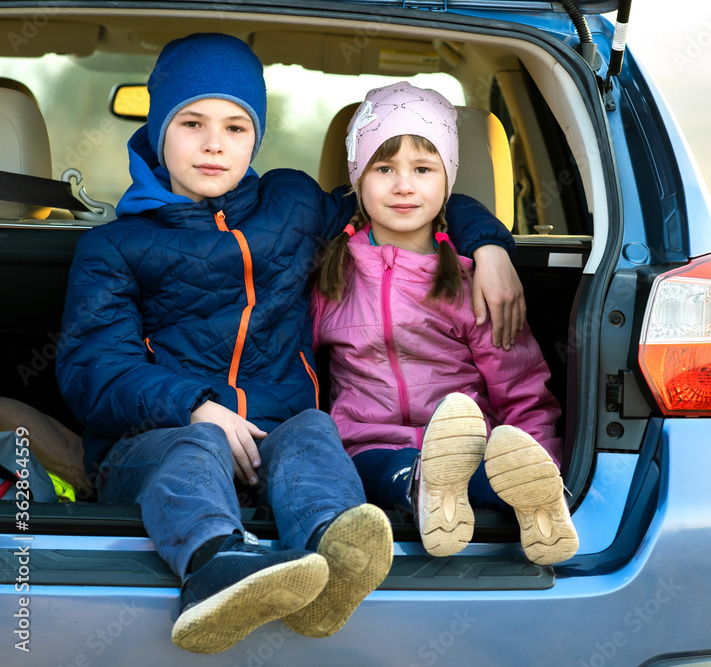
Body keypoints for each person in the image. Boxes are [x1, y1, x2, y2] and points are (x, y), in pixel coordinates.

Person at [55, 34, 525, 654]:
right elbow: (94, 369)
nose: (215, 143)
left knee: (312, 430)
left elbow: (399, 204)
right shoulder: (112, 247)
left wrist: (488, 243)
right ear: (159, 128)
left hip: (277, 433)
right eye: (192, 122)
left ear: (257, 136)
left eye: (236, 125)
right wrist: (196, 405)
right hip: (155, 445)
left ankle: (335, 552)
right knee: (195, 446)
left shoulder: (294, 204)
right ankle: (215, 568)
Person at [311, 82, 579, 566]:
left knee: (492, 470)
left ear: (447, 180)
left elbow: (519, 385)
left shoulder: (472, 279)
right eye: (384, 168)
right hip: (368, 445)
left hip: (471, 442)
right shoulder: (330, 271)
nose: (403, 186)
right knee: (388, 469)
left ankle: (533, 494)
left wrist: (541, 455)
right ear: (357, 177)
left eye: (422, 169)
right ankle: (431, 489)